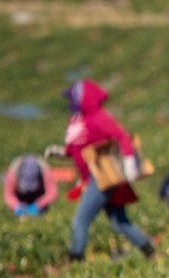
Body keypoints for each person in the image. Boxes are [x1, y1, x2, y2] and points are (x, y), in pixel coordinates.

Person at [58, 79, 154, 261]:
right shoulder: (79, 120)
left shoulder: (98, 117)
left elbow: (123, 137)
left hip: (102, 177)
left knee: (80, 220)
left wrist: (129, 162)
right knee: (120, 222)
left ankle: (75, 259)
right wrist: (61, 152)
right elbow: (76, 147)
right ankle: (149, 251)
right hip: (94, 177)